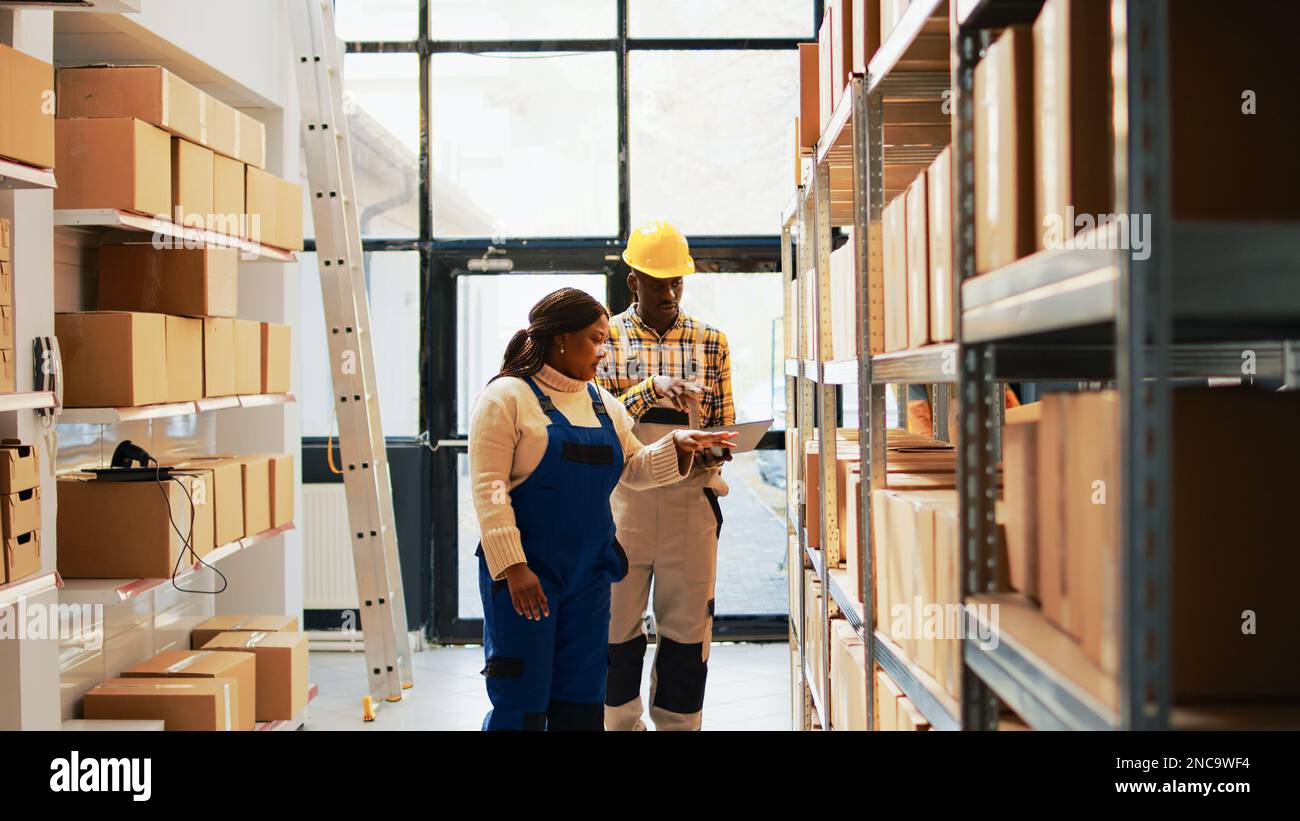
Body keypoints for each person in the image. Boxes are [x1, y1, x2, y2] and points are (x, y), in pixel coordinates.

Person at [468, 287, 736, 731]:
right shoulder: (507, 399)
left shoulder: (601, 403)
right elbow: (489, 490)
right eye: (595, 339)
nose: (603, 351)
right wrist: (513, 567)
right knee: (524, 697)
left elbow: (633, 466)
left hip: (589, 577)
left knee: (583, 699)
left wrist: (678, 445)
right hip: (529, 576)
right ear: (562, 340)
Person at [596, 220, 735, 731]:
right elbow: (599, 421)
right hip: (621, 506)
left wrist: (716, 449)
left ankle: (679, 725)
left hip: (690, 504)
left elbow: (722, 424)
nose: (670, 293)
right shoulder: (602, 338)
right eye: (658, 282)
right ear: (633, 280)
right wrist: (652, 388)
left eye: (677, 281)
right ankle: (617, 723)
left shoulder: (711, 342)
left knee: (686, 631)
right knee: (614, 628)